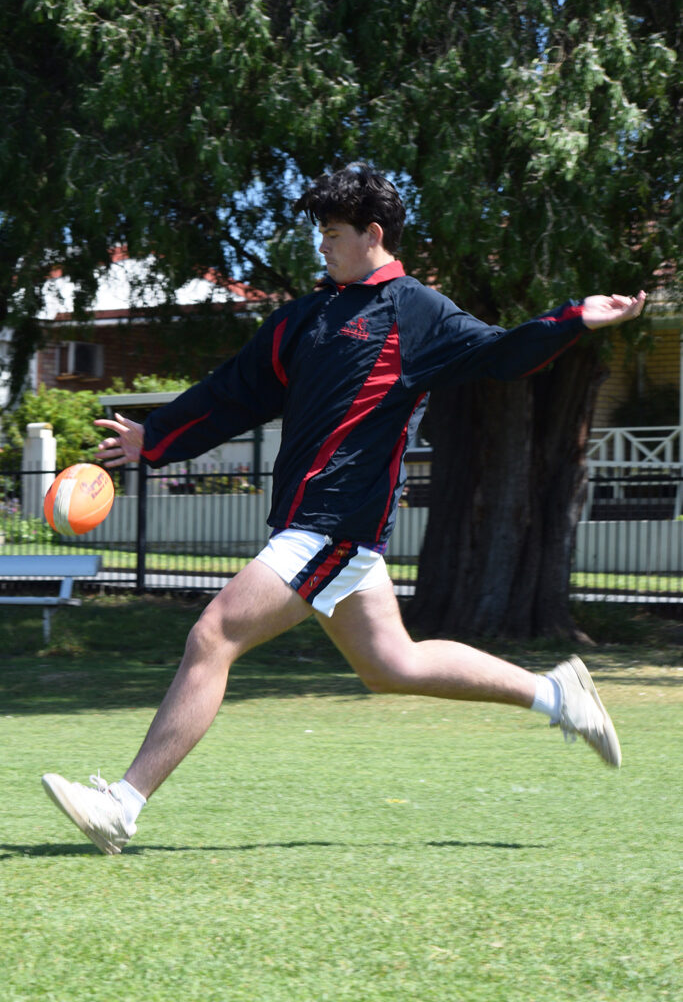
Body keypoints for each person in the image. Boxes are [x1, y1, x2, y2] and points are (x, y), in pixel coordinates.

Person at [42, 164, 646, 854]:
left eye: (332, 233)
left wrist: (571, 319)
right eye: (319, 232)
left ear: (372, 234)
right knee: (392, 665)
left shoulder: (415, 311)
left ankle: (121, 804)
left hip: (334, 523)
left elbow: (497, 353)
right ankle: (555, 694)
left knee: (214, 635)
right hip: (315, 529)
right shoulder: (305, 318)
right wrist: (158, 437)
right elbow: (234, 390)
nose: (320, 246)